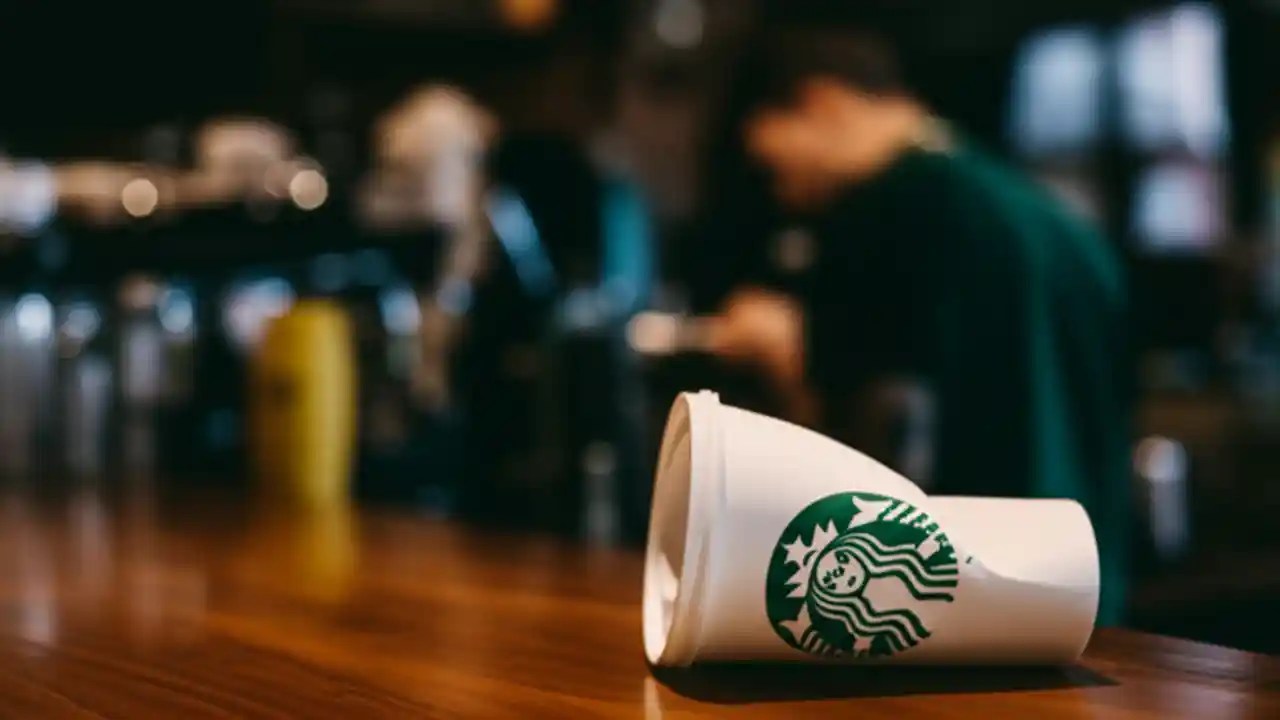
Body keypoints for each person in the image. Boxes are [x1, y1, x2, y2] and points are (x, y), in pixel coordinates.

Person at [701, 28, 1131, 624]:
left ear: (823, 104)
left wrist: (784, 349)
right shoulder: (1050, 219)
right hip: (1087, 590)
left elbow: (863, 466)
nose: (785, 196)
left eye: (772, 166)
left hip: (958, 607)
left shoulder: (894, 207)